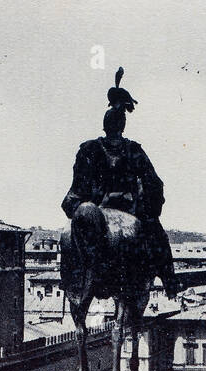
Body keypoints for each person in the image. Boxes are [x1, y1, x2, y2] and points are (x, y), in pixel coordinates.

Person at [61, 69, 177, 295]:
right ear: (122, 126)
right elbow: (155, 185)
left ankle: (68, 282)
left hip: (94, 206)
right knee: (158, 237)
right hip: (128, 208)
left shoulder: (88, 149)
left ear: (105, 125)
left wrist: (74, 204)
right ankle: (170, 284)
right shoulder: (134, 150)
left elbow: (78, 187)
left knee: (69, 237)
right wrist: (149, 210)